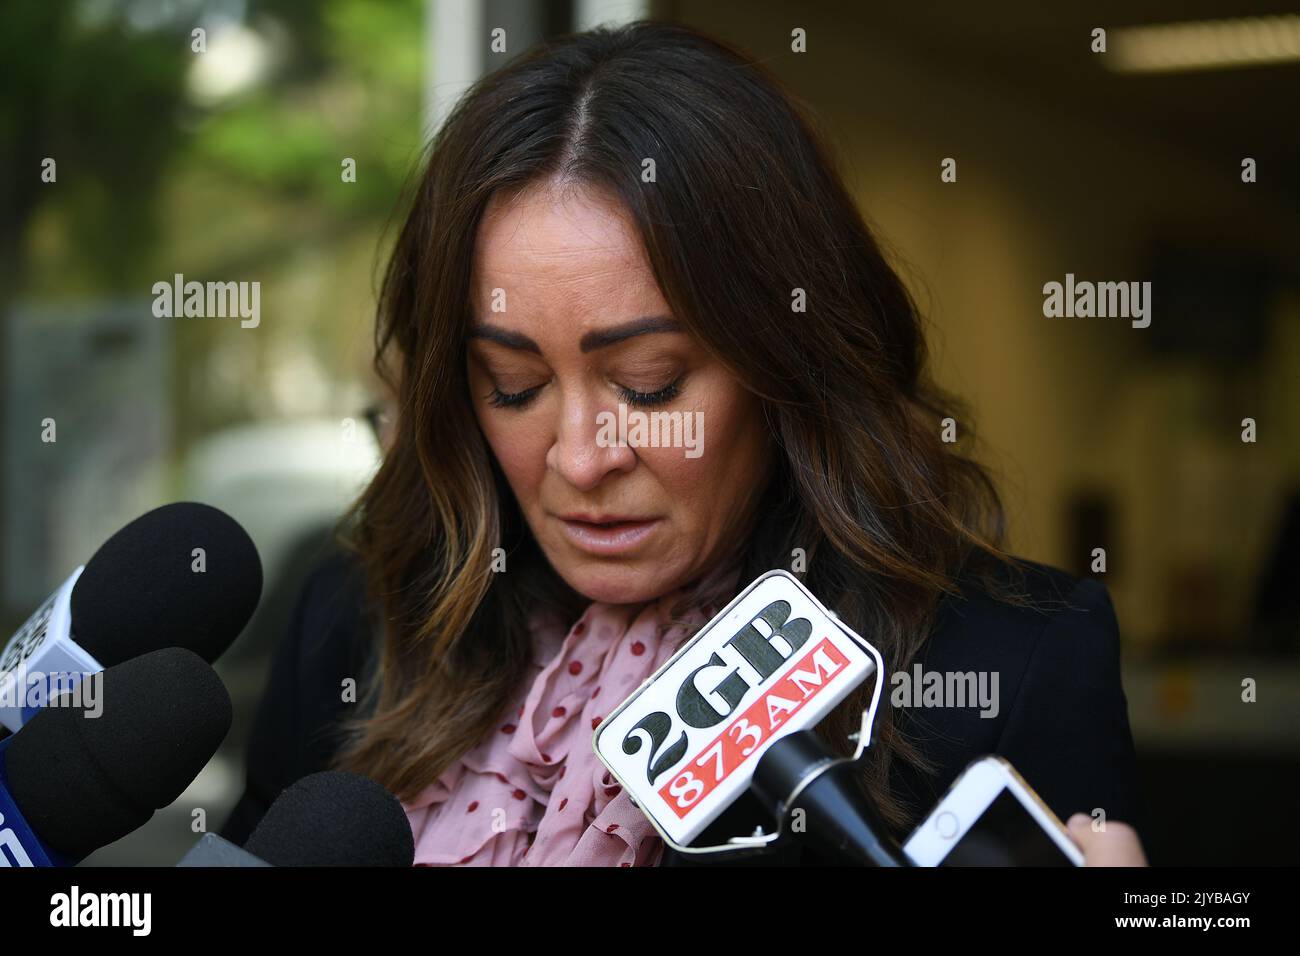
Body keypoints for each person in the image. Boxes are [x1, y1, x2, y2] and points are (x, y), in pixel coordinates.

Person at [222, 21, 1143, 867]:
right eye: (515, 387)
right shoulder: (362, 620)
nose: (582, 460)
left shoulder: (1008, 663)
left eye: (651, 383)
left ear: (784, 360)